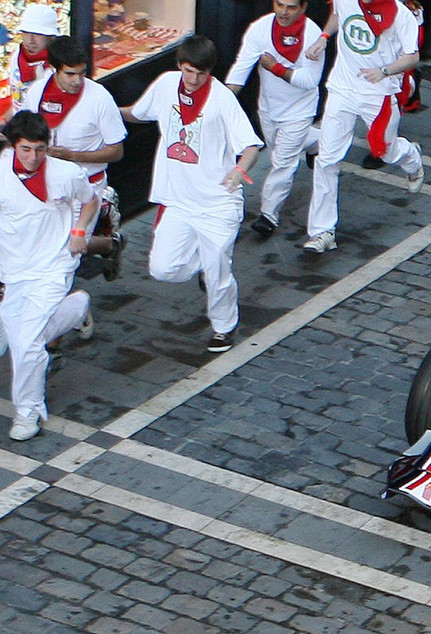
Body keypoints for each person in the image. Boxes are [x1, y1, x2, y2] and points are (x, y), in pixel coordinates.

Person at [119, 36, 262, 353]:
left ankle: (224, 327)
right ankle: (201, 266)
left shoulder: (222, 99)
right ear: (179, 66)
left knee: (218, 272)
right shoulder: (165, 85)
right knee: (162, 269)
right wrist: (105, 109)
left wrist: (239, 171)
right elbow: (138, 113)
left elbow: (251, 145)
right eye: (188, 71)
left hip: (218, 202)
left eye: (201, 73)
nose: (194, 79)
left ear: (210, 71)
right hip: (179, 201)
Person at [0, 111, 97, 440]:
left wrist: (79, 231)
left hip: (54, 267)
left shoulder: (66, 173)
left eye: (40, 149)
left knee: (27, 344)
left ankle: (28, 411)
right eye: (26, 149)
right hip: (13, 271)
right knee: (19, 340)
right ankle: (76, 308)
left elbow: (90, 201)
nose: (33, 157)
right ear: (13, 146)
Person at [303, 0, 425, 253]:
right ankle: (322, 231)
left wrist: (384, 71)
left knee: (386, 151)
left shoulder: (401, 15)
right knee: (326, 159)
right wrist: (324, 37)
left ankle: (412, 157)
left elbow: (412, 56)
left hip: (379, 94)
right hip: (342, 89)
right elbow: (338, 13)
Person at [20, 36, 128, 281]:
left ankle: (67, 302)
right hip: (46, 184)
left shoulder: (100, 98)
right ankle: (109, 245)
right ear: (54, 69)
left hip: (87, 187)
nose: (77, 81)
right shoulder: (36, 93)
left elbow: (116, 151)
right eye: (70, 74)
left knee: (65, 254)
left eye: (82, 73)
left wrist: (72, 156)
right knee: (47, 244)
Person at [225, 0, 324, 240]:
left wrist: (275, 68)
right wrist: (221, 102)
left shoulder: (313, 35)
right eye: (279, 4)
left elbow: (310, 80)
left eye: (291, 7)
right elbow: (242, 67)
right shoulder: (260, 28)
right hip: (268, 107)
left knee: (282, 163)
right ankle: (317, 141)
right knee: (278, 151)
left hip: (300, 110)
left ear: (303, 7)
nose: (283, 12)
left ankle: (268, 216)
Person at [3, 4, 59, 118]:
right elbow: (18, 104)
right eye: (26, 32)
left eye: (38, 34)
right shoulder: (16, 56)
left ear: (51, 37)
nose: (30, 40)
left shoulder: (60, 66)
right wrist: (4, 120)